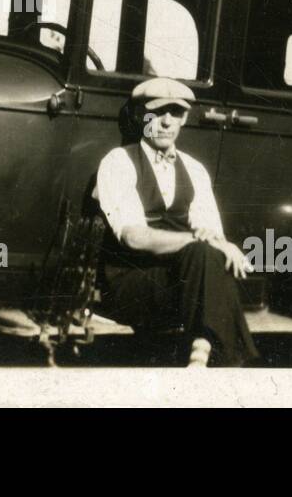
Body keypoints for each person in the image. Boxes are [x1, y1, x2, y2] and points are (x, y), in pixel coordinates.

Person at [93, 77, 258, 368]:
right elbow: (133, 237)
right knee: (205, 255)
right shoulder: (119, 161)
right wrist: (199, 241)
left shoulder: (194, 169)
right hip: (132, 281)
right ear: (140, 116)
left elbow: (211, 232)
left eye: (176, 113)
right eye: (157, 113)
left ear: (184, 120)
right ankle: (226, 360)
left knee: (213, 256)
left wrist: (223, 244)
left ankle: (202, 350)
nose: (167, 122)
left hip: (182, 279)